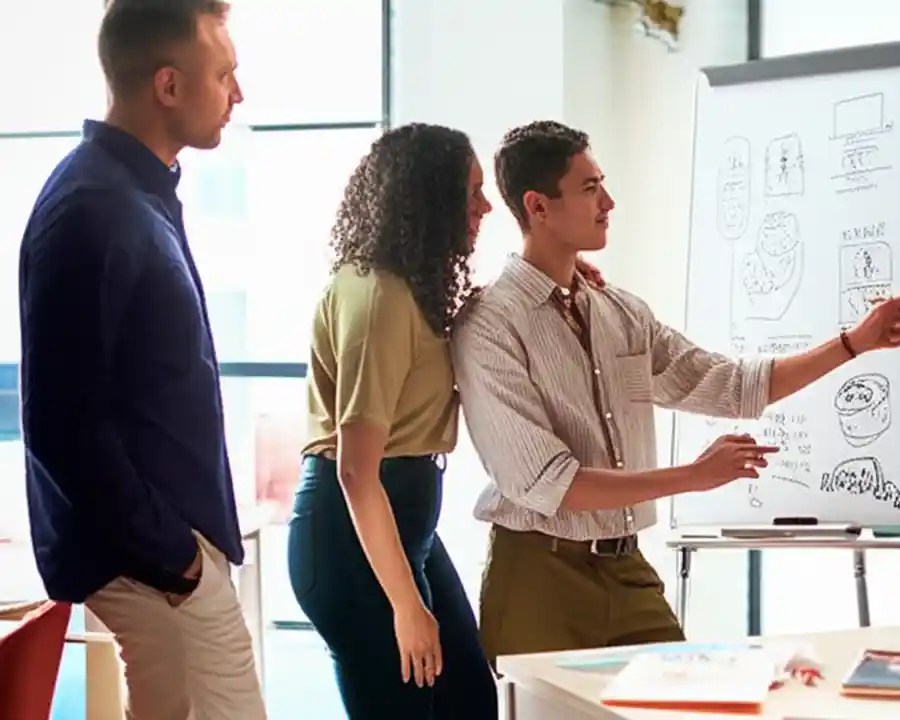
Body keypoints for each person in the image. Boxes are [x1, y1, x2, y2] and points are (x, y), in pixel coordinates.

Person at [451, 119, 900, 665]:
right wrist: (694, 477)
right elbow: (547, 482)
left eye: (602, 183)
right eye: (590, 189)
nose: (608, 201)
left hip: (626, 569)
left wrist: (854, 343)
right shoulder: (488, 325)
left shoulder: (621, 312)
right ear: (538, 207)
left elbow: (728, 384)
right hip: (538, 580)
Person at [288, 122, 604, 719]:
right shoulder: (377, 295)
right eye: (472, 193)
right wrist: (406, 607)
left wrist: (561, 278)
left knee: (469, 700)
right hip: (352, 531)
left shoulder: (411, 288)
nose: (486, 207)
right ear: (429, 198)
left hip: (405, 523)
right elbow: (357, 473)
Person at [18, 1, 266, 718]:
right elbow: (63, 426)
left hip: (165, 554)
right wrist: (177, 559)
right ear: (167, 86)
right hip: (156, 563)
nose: (238, 95)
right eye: (224, 75)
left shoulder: (132, 191)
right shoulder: (92, 208)